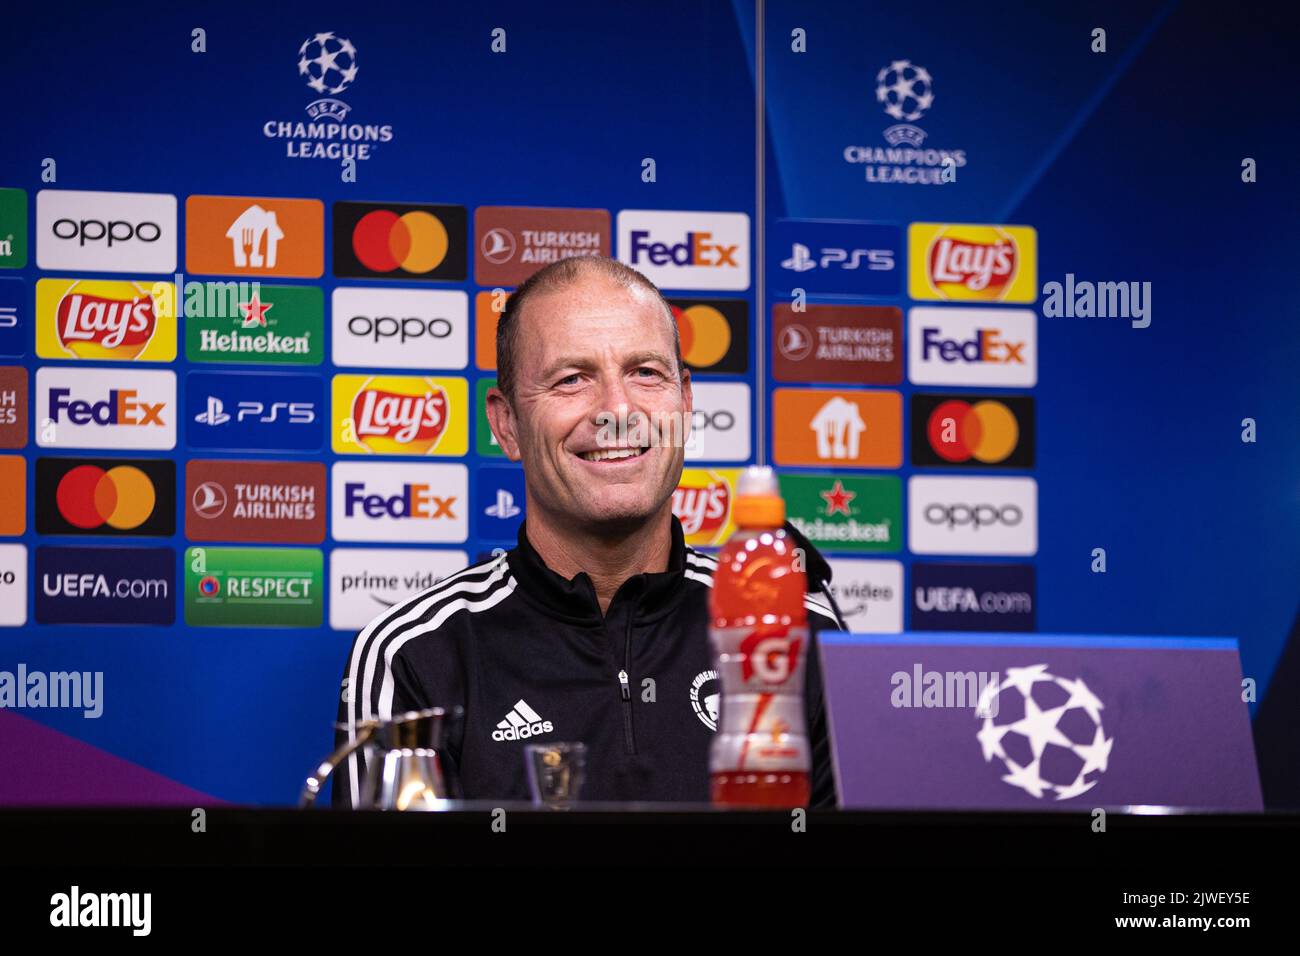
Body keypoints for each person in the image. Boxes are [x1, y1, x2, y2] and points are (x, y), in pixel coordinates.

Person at [332, 255, 847, 808]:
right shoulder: (415, 654)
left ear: (685, 403)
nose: (617, 410)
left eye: (645, 373)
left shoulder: (792, 633)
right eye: (571, 379)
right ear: (507, 425)